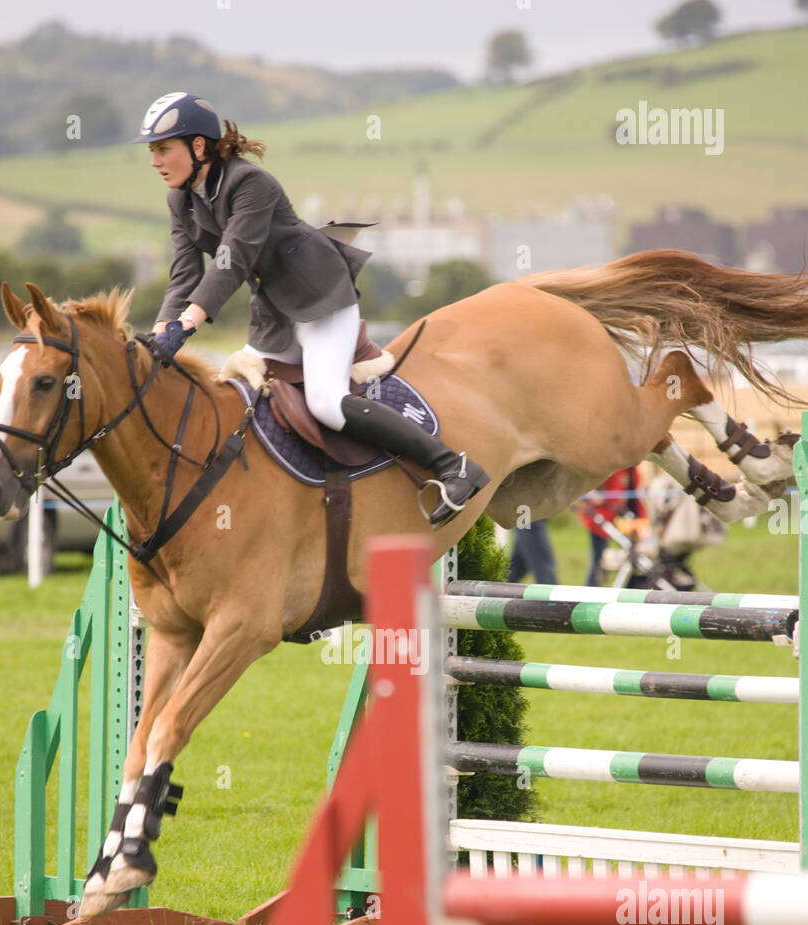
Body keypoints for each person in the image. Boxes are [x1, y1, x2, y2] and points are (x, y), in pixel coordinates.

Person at [134, 91, 489, 528]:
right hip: (274, 315)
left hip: (321, 301)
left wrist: (186, 326)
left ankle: (453, 466)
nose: (155, 161)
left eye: (162, 149)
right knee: (238, 392)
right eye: (153, 151)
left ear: (199, 147)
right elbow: (183, 276)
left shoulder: (250, 184)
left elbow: (231, 261)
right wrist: (158, 335)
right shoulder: (181, 201)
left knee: (325, 402)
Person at [577, 466, 646, 586]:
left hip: (620, 517)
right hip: (600, 517)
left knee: (629, 554)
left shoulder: (628, 468)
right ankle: (591, 588)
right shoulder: (612, 464)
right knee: (599, 559)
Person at [507, 519, 558, 585]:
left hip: (529, 515)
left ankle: (497, 587)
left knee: (518, 564)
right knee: (542, 562)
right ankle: (551, 593)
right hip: (528, 513)